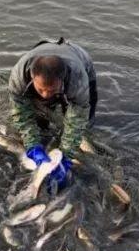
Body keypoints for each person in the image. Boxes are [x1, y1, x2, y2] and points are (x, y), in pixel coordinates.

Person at [7, 38, 97, 190]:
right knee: (38, 117)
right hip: (43, 62)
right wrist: (33, 145)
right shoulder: (19, 77)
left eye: (51, 90)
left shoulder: (77, 79)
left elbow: (77, 118)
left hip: (80, 62)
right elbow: (21, 115)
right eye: (41, 89)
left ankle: (79, 142)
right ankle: (43, 140)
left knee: (82, 121)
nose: (46, 95)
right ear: (32, 77)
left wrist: (66, 156)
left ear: (61, 81)